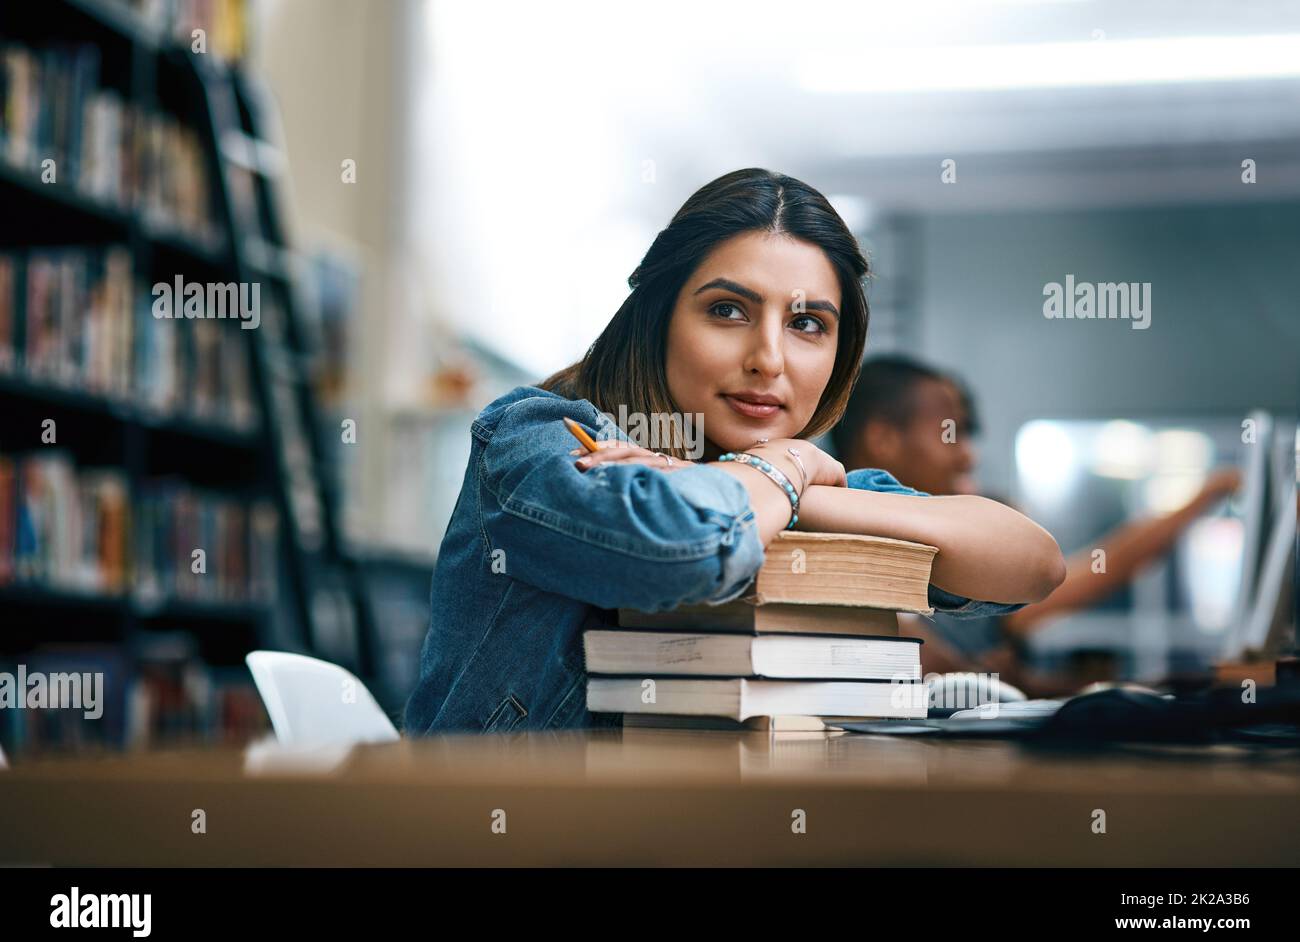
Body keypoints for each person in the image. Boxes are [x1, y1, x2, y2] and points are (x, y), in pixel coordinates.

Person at [402, 169, 1066, 734]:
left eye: (807, 324)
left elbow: (1031, 563)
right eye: (727, 311)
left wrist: (792, 482)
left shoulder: (793, 488)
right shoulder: (538, 436)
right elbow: (686, 545)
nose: (768, 359)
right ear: (659, 316)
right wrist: (781, 467)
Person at [830, 355, 1242, 696]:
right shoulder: (843, 555)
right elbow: (1095, 571)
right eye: (950, 433)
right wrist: (1211, 492)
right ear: (883, 438)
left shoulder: (958, 548)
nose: (969, 457)